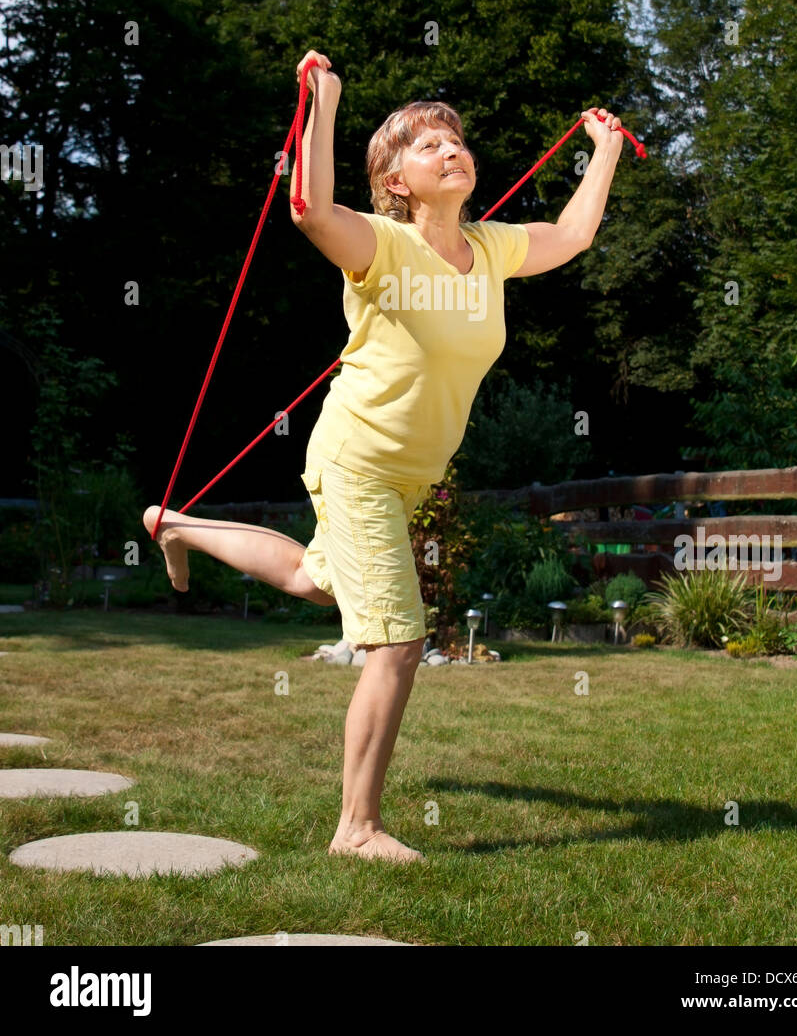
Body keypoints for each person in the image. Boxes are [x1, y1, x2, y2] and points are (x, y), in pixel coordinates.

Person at [144, 49, 624, 864]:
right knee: (398, 640)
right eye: (428, 144)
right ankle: (355, 829)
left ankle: (175, 526)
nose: (451, 150)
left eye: (456, 140)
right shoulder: (381, 247)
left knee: (310, 578)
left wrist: (605, 147)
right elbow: (306, 207)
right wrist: (323, 101)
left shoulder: (495, 248)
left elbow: (574, 234)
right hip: (358, 460)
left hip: (408, 477)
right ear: (395, 180)